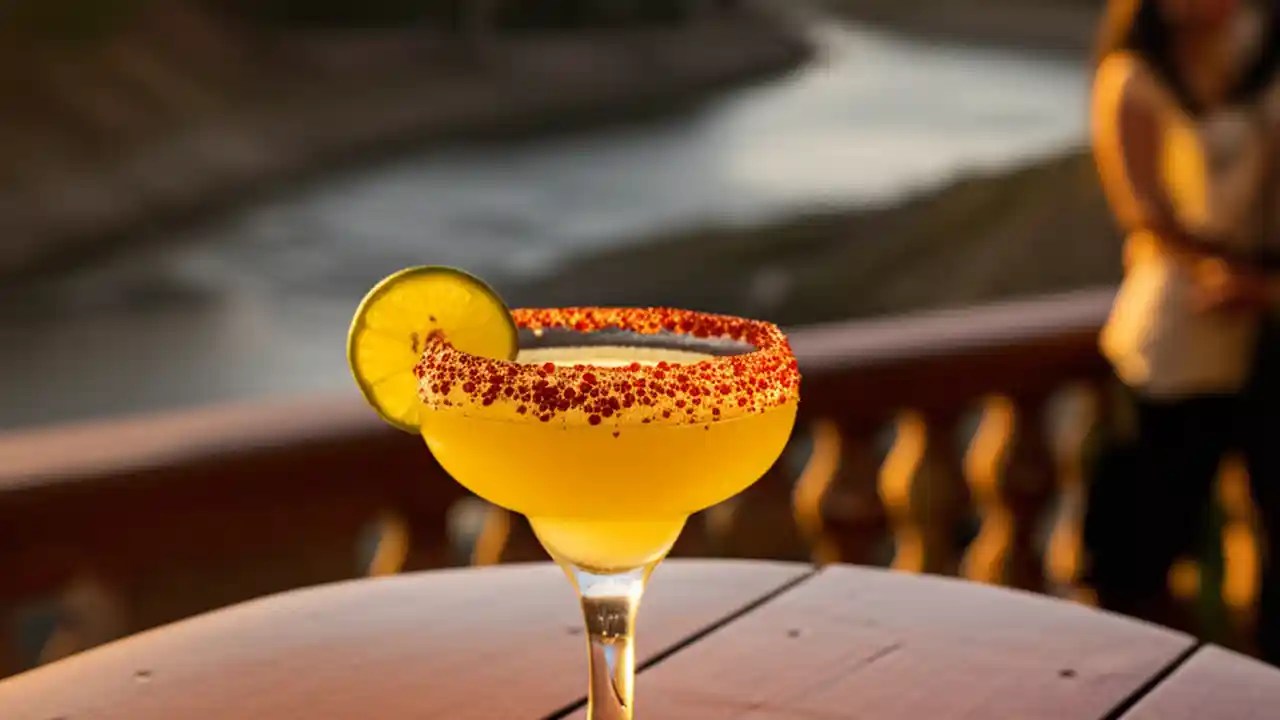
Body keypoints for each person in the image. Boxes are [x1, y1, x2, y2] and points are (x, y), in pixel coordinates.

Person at [1085, 0, 1280, 662]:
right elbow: (1145, 213)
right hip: (1178, 334)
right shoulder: (1135, 76)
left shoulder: (1260, 51)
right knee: (1147, 538)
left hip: (1262, 335)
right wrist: (1226, 275)